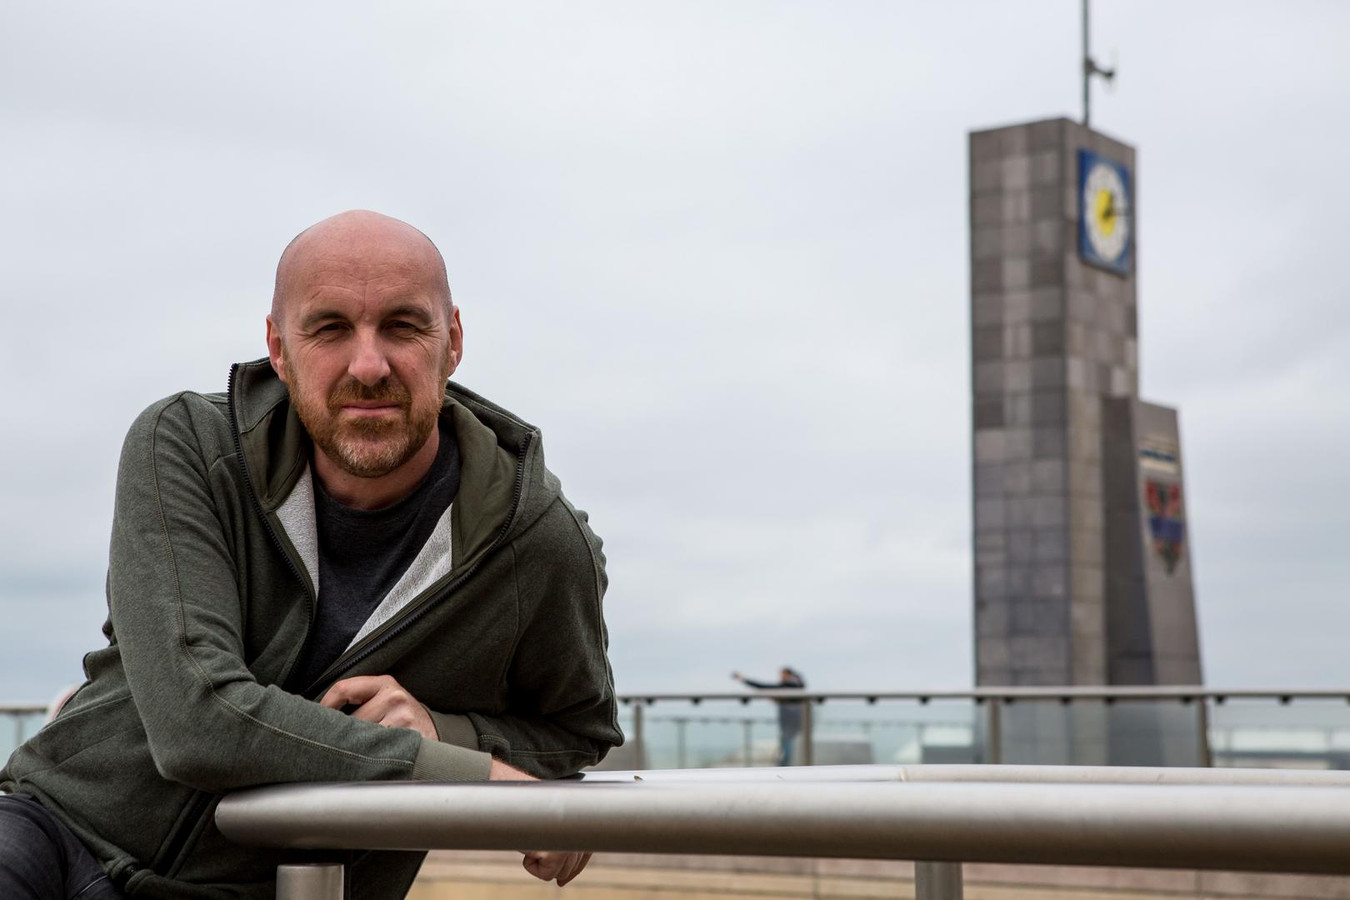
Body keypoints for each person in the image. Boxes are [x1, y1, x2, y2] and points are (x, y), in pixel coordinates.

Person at [0, 211, 623, 899]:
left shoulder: (534, 541)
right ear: (278, 346)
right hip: (50, 830)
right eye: (329, 328)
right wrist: (458, 773)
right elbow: (196, 721)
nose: (368, 365)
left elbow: (577, 730)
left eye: (403, 326)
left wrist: (445, 730)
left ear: (454, 342)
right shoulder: (188, 447)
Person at [731, 668, 806, 766]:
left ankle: (785, 766)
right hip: (794, 722)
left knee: (788, 744)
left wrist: (743, 679)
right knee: (789, 744)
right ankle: (786, 765)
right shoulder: (796, 686)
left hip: (790, 723)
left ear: (788, 675)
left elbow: (763, 686)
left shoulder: (789, 686)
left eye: (782, 675)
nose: (780, 678)